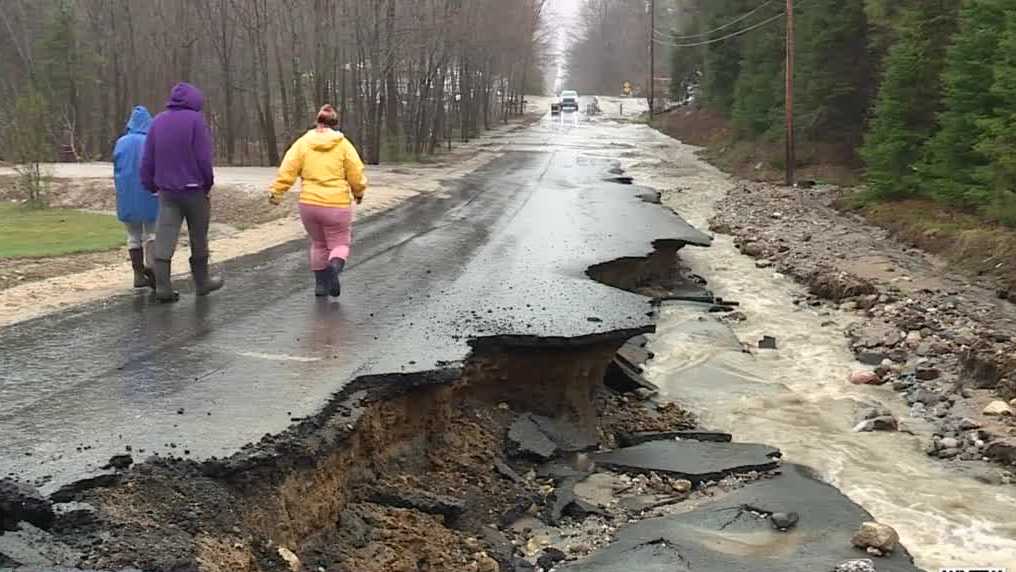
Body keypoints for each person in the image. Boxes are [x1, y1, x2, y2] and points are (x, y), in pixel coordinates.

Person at [269, 104, 366, 297]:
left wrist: (277, 192)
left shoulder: (302, 143)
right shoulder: (343, 144)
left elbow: (288, 168)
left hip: (309, 204)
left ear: (317, 121)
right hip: (336, 205)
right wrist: (358, 192)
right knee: (339, 244)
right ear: (335, 124)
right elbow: (355, 172)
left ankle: (321, 286)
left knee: (319, 244)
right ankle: (334, 270)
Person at [141, 82, 223, 303]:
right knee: (198, 237)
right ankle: (202, 283)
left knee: (165, 238)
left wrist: (150, 185)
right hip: (194, 191)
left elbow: (147, 158)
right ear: (195, 100)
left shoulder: (157, 122)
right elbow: (203, 158)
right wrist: (208, 183)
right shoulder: (196, 121)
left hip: (167, 192)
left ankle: (163, 288)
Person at [113, 105, 157, 289]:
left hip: (126, 194)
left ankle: (138, 275)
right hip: (149, 193)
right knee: (152, 234)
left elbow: (116, 168)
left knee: (133, 235)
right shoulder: (151, 141)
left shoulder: (121, 142)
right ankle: (155, 272)